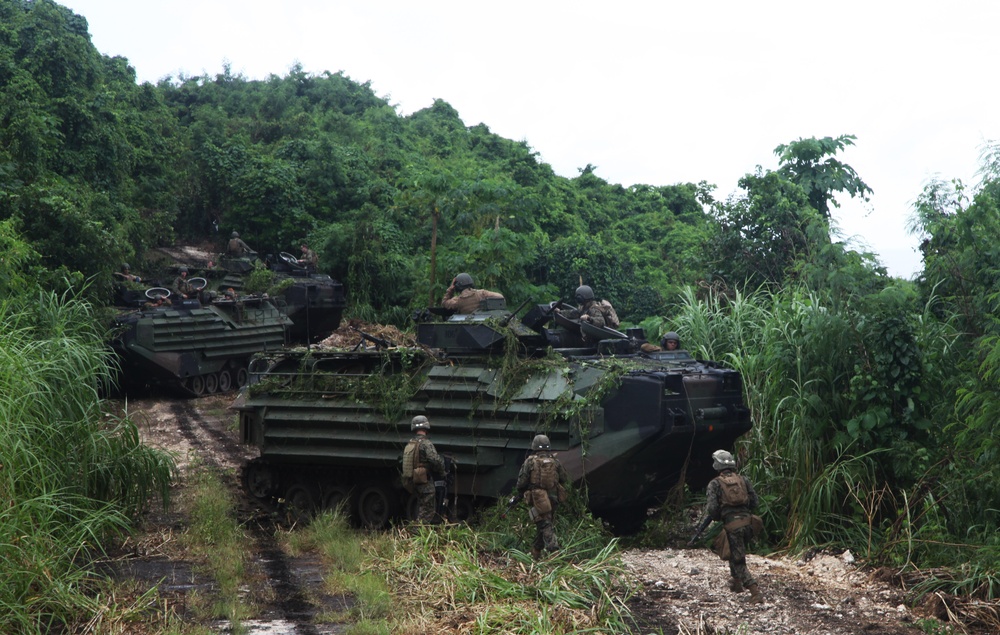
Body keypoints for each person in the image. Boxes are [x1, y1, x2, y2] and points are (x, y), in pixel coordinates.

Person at [689, 449, 764, 604]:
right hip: (749, 524)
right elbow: (755, 502)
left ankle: (754, 591)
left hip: (733, 525)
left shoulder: (715, 484)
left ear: (717, 465)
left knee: (738, 559)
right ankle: (736, 583)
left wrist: (721, 516)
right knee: (733, 548)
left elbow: (712, 509)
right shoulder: (743, 480)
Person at [516, 434, 570, 559]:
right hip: (553, 496)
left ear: (534, 446)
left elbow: (521, 482)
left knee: (545, 524)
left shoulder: (530, 461)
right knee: (544, 522)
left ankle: (555, 553)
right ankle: (536, 552)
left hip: (538, 497)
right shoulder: (555, 461)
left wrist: (522, 491)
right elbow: (564, 478)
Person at [401, 415, 446, 524]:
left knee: (422, 506)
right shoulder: (426, 443)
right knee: (427, 511)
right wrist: (442, 471)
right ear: (426, 427)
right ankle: (417, 533)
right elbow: (435, 460)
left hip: (413, 480)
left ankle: (419, 532)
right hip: (424, 481)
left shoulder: (411, 442)